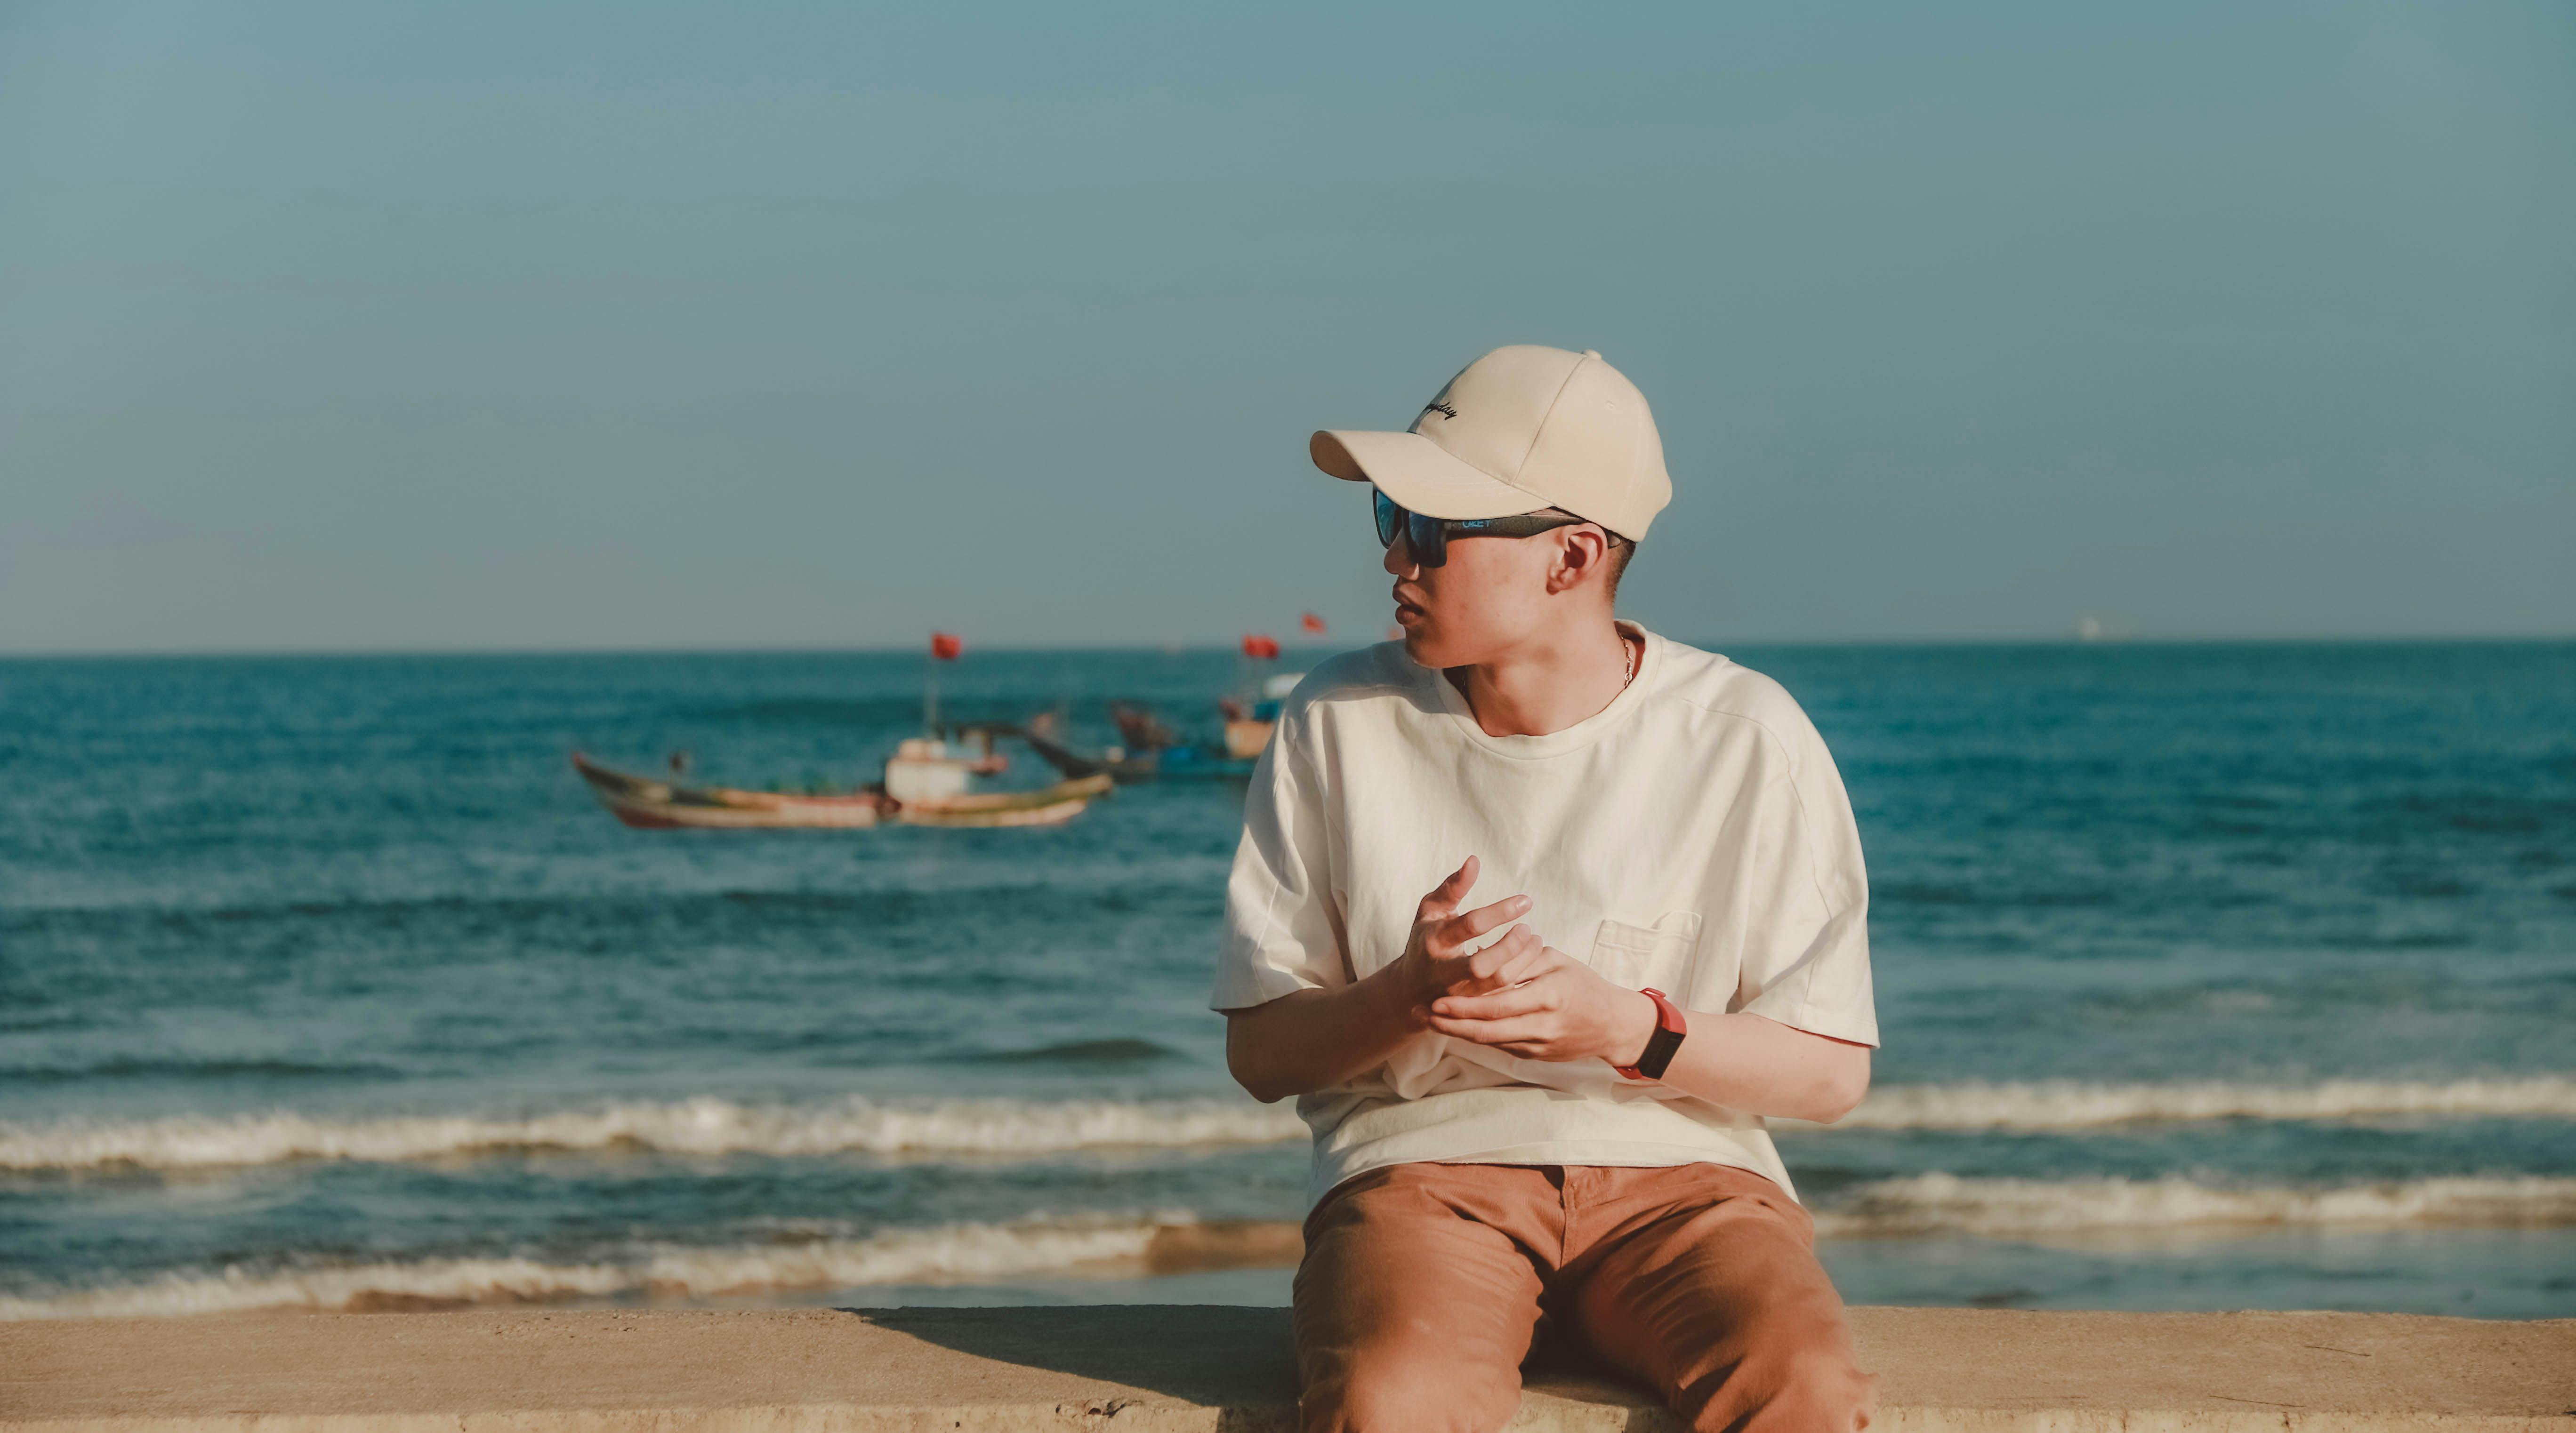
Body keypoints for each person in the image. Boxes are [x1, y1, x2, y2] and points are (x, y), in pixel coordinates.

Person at [1212, 345, 1880, 1433]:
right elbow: (1260, 1055)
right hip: (1423, 1170)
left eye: (1431, 527)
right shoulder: (1336, 720)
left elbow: (1831, 1071)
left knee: (1802, 1388)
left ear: (1573, 554)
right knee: (1394, 1401)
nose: (1397, 557)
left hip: (1690, 1180)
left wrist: (1627, 1025)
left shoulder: (1746, 735)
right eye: (1388, 513)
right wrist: (1404, 996)